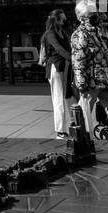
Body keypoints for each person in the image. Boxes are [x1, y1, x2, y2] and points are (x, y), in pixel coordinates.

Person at [70, 1, 108, 141]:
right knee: (84, 115)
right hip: (91, 84)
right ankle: (84, 142)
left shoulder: (97, 34)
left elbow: (105, 58)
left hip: (105, 82)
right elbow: (78, 61)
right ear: (82, 17)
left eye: (95, 14)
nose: (96, 17)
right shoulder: (79, 35)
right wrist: (81, 84)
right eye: (92, 15)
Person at [39, 8, 72, 137]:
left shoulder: (62, 32)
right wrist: (72, 57)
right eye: (62, 19)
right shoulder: (50, 33)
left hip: (65, 67)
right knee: (59, 99)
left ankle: (71, 126)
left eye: (64, 19)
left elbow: (68, 48)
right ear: (55, 20)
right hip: (56, 67)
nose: (64, 21)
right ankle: (60, 130)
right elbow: (58, 49)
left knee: (68, 97)